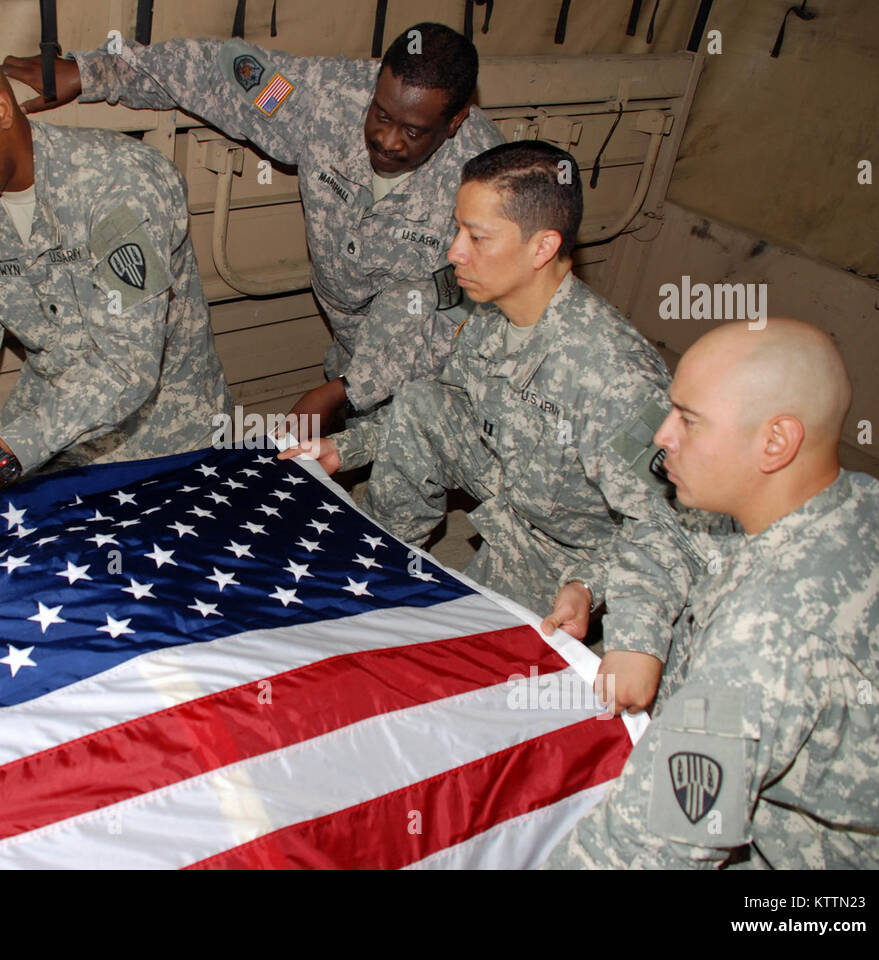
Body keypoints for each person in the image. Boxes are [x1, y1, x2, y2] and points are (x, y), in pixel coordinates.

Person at [282, 141, 700, 713]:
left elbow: (670, 525)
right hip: (514, 500)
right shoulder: (491, 319)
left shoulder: (614, 377)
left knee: (453, 688)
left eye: (477, 238)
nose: (455, 253)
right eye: (457, 230)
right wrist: (342, 450)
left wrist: (595, 596)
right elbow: (445, 409)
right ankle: (382, 553)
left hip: (571, 556)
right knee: (420, 400)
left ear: (542, 247)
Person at [3, 22, 504, 431]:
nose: (387, 140)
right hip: (351, 337)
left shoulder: (488, 183)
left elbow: (448, 319)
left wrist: (349, 390)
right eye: (381, 113)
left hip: (434, 355)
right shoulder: (330, 99)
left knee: (408, 449)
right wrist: (96, 73)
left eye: (413, 131)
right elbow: (220, 75)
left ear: (456, 120)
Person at [544, 320, 879, 868]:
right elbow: (667, 533)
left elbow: (650, 846)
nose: (661, 435)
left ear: (775, 441)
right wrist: (638, 636)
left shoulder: (768, 632)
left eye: (689, 421)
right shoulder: (853, 501)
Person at [0, 39, 233, 537]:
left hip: (165, 451)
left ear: (0, 110)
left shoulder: (120, 186)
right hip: (51, 455)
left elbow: (125, 366)